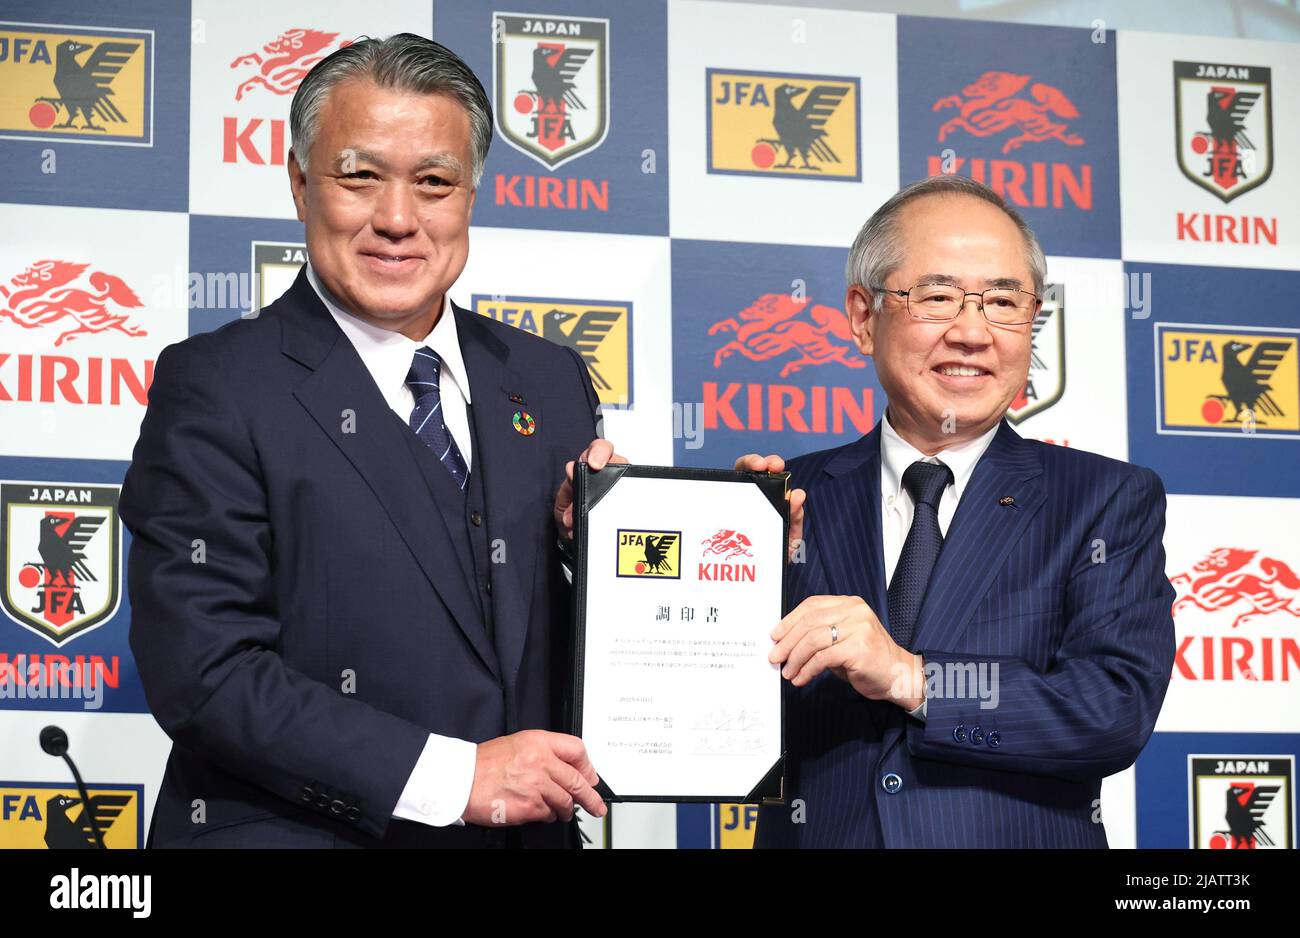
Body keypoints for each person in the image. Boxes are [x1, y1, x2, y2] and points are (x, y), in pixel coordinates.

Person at [121, 34, 618, 848]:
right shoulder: (217, 386)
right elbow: (204, 672)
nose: (397, 220)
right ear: (300, 183)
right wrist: (458, 779)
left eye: (433, 182)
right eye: (360, 176)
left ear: (470, 195)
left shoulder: (549, 378)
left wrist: (657, 544)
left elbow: (567, 646)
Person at [745, 174, 1176, 848]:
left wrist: (911, 677)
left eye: (1004, 301)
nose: (973, 332)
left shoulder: (1103, 502)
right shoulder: (777, 499)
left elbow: (1111, 710)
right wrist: (699, 552)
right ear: (863, 316)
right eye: (939, 296)